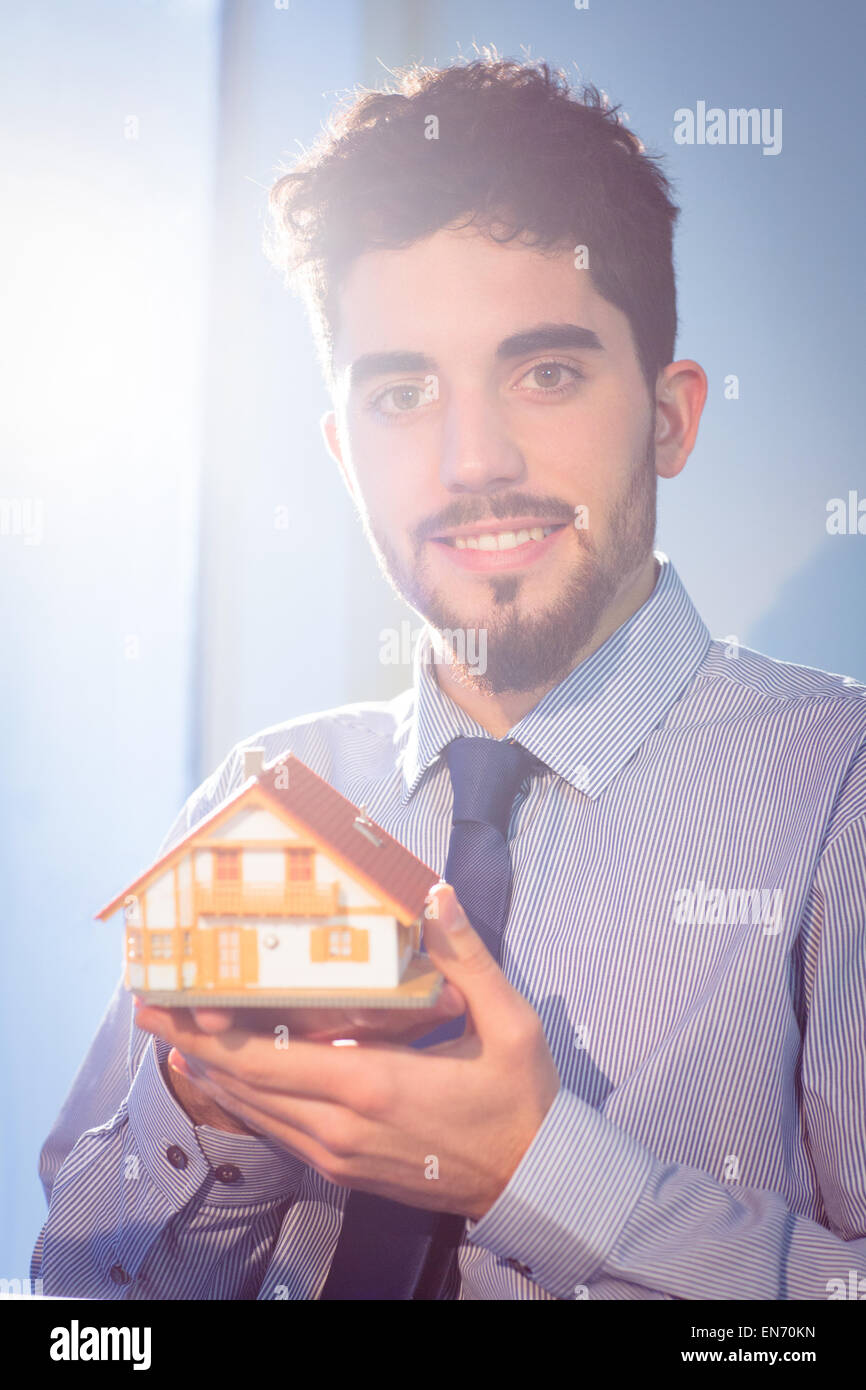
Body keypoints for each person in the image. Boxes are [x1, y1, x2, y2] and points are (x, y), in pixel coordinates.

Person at [33, 56, 866, 1301]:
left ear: (669, 417)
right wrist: (208, 1113)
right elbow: (83, 1316)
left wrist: (532, 1165)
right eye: (401, 390)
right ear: (341, 450)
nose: (472, 459)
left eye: (545, 371)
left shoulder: (838, 793)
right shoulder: (261, 795)